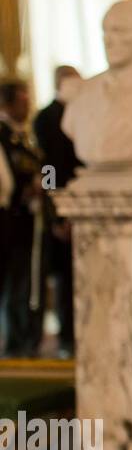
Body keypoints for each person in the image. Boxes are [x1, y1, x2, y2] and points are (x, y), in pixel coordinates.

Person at [33, 65, 83, 357]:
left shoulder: (80, 112)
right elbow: (49, 167)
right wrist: (58, 213)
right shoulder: (47, 118)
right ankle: (67, 338)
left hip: (81, 202)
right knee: (64, 278)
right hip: (62, 208)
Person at [0, 79, 45, 357]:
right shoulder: (4, 136)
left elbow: (43, 169)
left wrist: (45, 188)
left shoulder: (24, 137)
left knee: (26, 282)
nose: (27, 105)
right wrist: (24, 192)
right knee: (12, 284)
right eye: (22, 100)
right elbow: (5, 184)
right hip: (8, 219)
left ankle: (26, 341)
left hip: (27, 222)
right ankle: (15, 344)